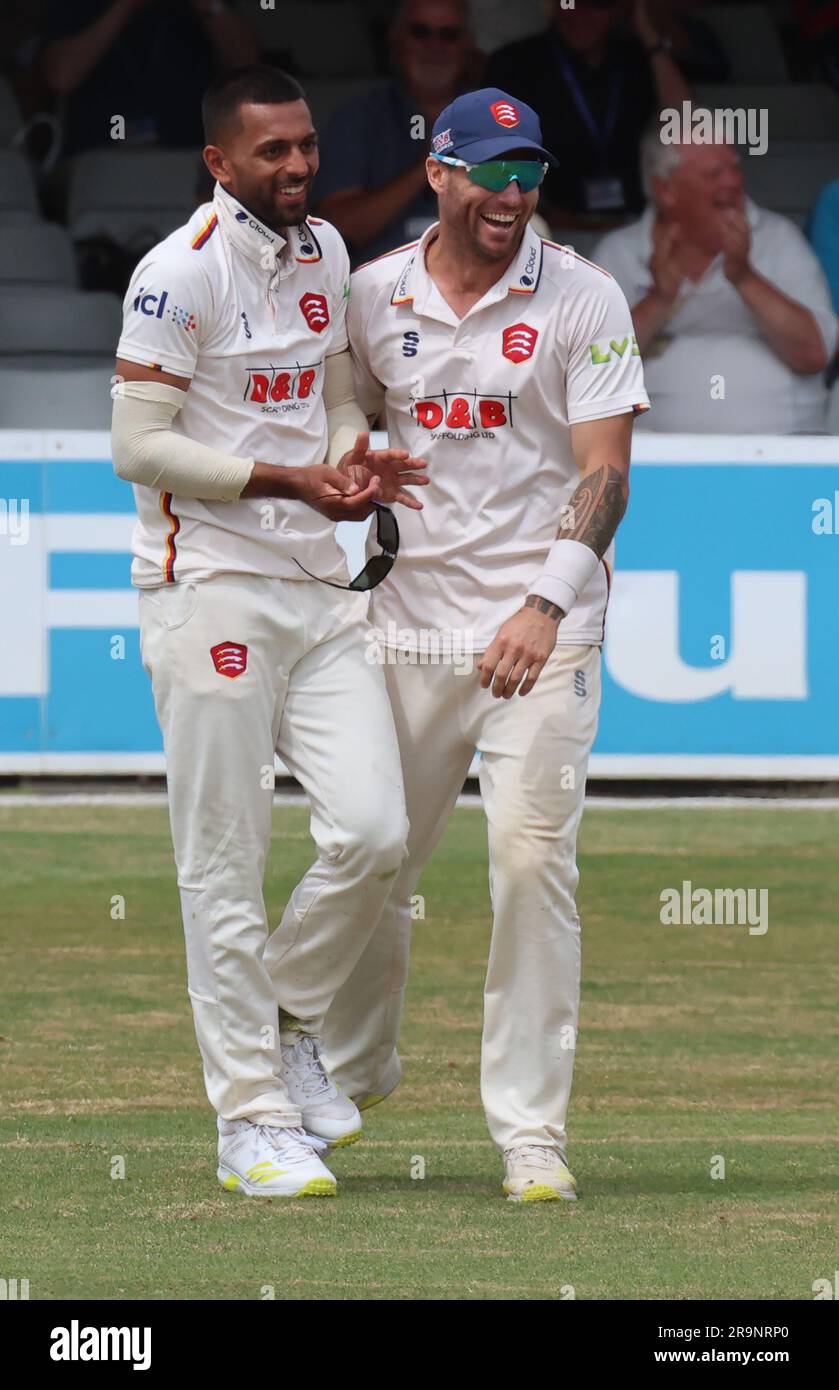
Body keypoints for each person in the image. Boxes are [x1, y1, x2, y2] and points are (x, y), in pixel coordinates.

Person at [320, 88, 650, 1202]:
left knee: (527, 866)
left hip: (538, 636)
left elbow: (603, 472)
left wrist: (544, 603)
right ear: (440, 174)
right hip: (401, 629)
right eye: (493, 172)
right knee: (373, 861)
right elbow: (340, 427)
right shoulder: (370, 296)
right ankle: (348, 1075)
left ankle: (529, 1133)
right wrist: (354, 464)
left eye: (529, 172)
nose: (514, 193)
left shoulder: (584, 294)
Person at [110, 66, 429, 1198]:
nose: (297, 166)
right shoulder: (177, 272)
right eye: (271, 153)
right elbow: (138, 447)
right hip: (212, 592)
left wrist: (348, 449)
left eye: (303, 145)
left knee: (376, 836)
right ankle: (248, 1121)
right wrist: (294, 478)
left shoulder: (326, 252)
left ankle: (292, 1016)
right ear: (219, 162)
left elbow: (337, 387)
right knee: (223, 865)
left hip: (317, 586)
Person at [593, 128, 838, 433]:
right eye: (715, 173)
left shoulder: (779, 238)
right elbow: (595, 367)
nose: (733, 181)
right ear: (666, 191)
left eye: (734, 166)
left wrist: (744, 277)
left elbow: (815, 355)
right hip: (648, 460)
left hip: (783, 451)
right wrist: (659, 300)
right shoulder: (621, 251)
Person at [485, 0, 694, 229]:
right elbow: (495, 151)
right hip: (544, 229)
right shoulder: (514, 63)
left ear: (621, 9)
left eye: (596, 4)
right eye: (569, 2)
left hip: (634, 227)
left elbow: (685, 120)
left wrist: (649, 34)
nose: (579, 14)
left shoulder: (637, 60)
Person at [313, 0, 478, 266]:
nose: (435, 46)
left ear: (467, 45)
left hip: (479, 290)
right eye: (420, 32)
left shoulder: (491, 115)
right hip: (377, 296)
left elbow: (525, 215)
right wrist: (430, 162)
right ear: (396, 37)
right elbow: (337, 229)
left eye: (449, 35)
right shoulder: (358, 115)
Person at [41, 0, 259, 154]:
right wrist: (126, 6)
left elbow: (248, 71)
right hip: (101, 158)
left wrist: (210, 5)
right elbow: (62, 76)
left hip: (188, 158)